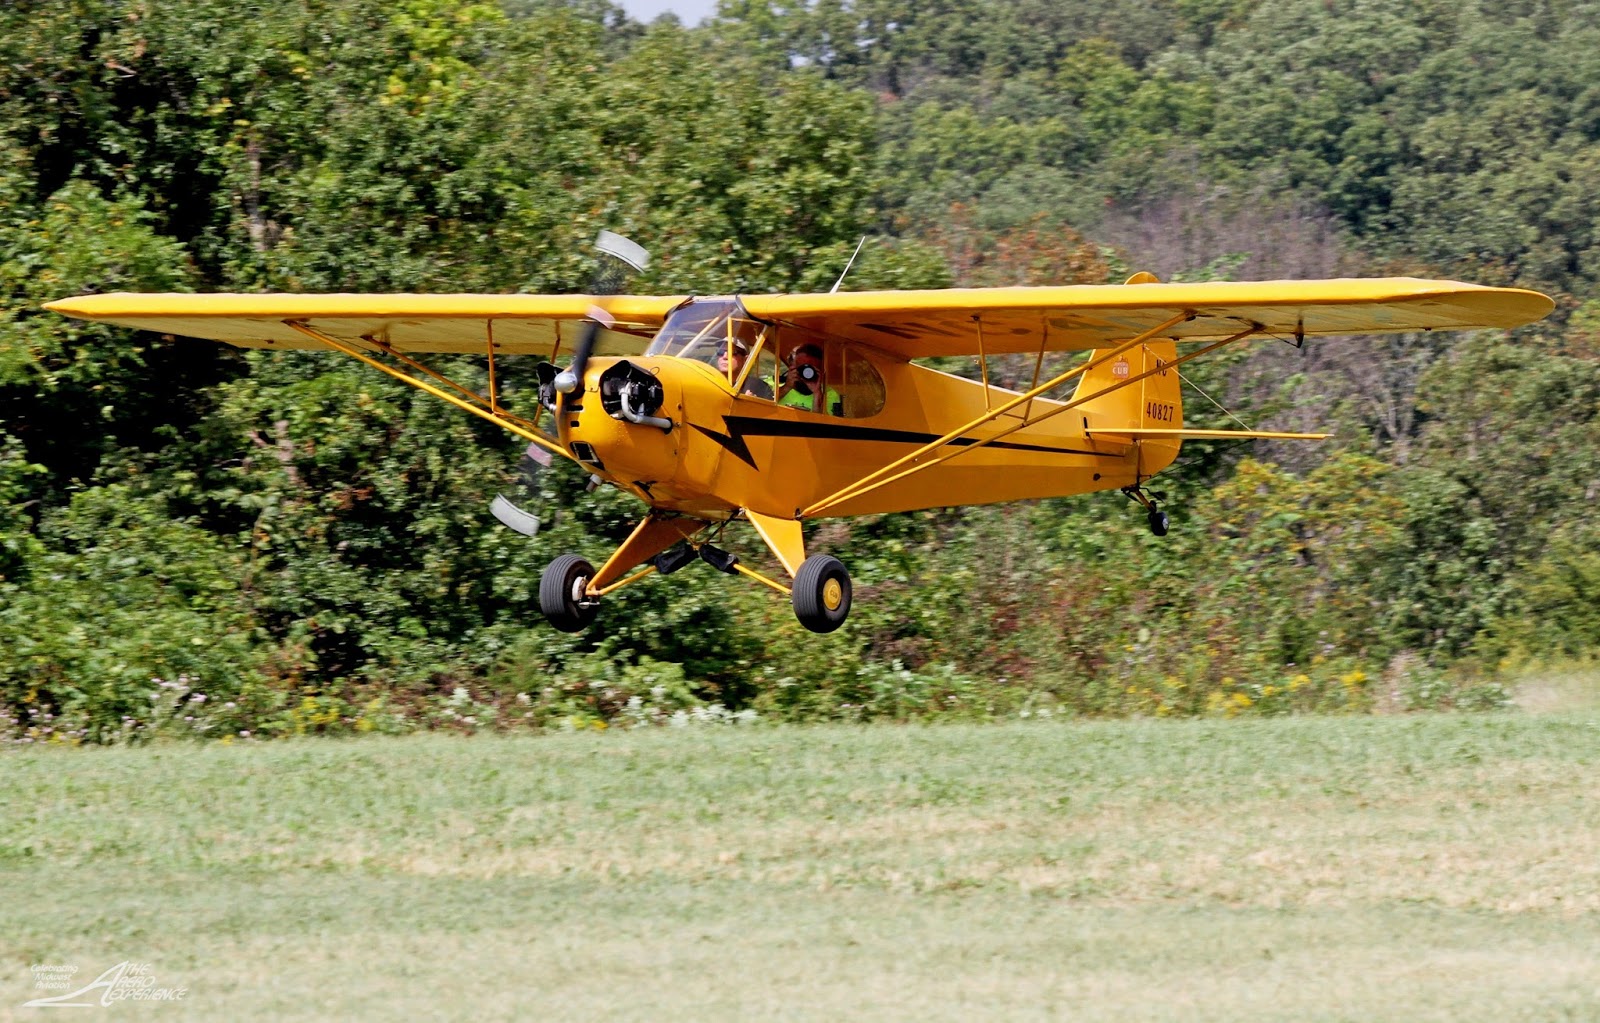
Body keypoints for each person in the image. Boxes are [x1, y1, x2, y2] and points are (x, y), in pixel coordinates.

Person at [778, 344, 840, 415]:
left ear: (820, 370)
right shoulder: (775, 385)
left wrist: (817, 393)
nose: (806, 371)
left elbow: (822, 422)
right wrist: (787, 387)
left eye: (810, 368)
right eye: (801, 367)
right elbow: (765, 406)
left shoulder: (829, 394)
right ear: (792, 367)